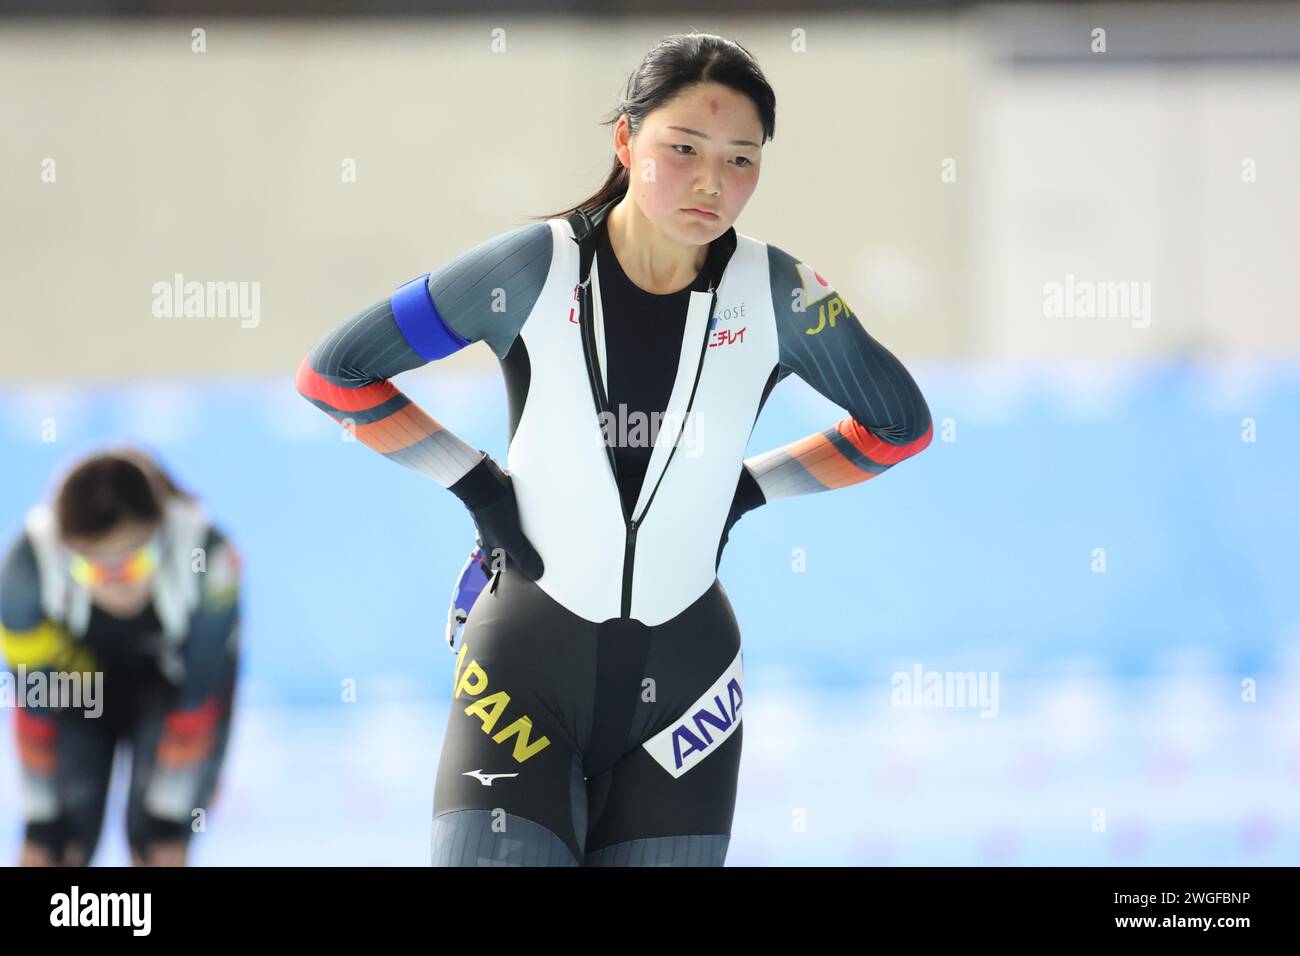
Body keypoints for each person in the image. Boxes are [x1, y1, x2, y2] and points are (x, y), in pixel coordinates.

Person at [295, 31, 933, 867]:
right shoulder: (530, 267)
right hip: (522, 671)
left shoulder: (783, 295)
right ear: (626, 140)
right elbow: (338, 376)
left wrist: (750, 488)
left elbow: (901, 428)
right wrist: (476, 484)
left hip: (688, 690)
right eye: (683, 148)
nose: (712, 182)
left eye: (742, 160)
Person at [0, 447, 242, 866]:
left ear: (163, 535)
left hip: (175, 688)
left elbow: (199, 698)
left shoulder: (210, 559)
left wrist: (167, 816)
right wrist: (42, 819)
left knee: (159, 843)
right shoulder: (23, 571)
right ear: (65, 554)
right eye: (93, 570)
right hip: (78, 690)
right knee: (53, 847)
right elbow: (35, 709)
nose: (118, 585)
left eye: (136, 562)